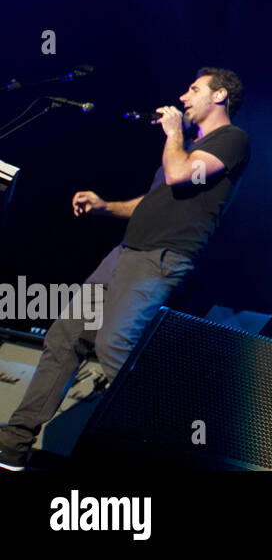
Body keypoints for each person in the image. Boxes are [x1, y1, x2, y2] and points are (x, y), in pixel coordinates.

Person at [0, 68, 251, 470]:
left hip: (160, 259)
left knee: (114, 347)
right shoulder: (185, 147)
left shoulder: (232, 140)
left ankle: (166, 450)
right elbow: (152, 201)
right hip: (126, 253)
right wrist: (105, 206)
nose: (183, 97)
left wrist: (172, 134)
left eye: (193, 89)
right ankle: (13, 445)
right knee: (65, 337)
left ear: (220, 96)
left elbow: (181, 174)